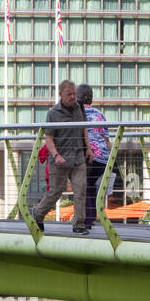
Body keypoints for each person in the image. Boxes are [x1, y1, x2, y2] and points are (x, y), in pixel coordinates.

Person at [31, 80, 93, 234]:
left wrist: (89, 148)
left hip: (78, 157)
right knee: (55, 192)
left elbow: (83, 128)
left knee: (80, 190)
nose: (73, 97)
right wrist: (56, 155)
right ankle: (38, 213)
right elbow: (49, 138)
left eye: (74, 94)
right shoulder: (53, 113)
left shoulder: (80, 108)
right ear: (61, 95)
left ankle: (79, 224)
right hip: (60, 159)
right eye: (69, 94)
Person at [77, 84, 110, 225]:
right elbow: (107, 139)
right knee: (91, 186)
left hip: (86, 156)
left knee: (84, 187)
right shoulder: (99, 114)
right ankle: (90, 218)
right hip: (102, 157)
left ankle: (87, 219)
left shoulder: (76, 114)